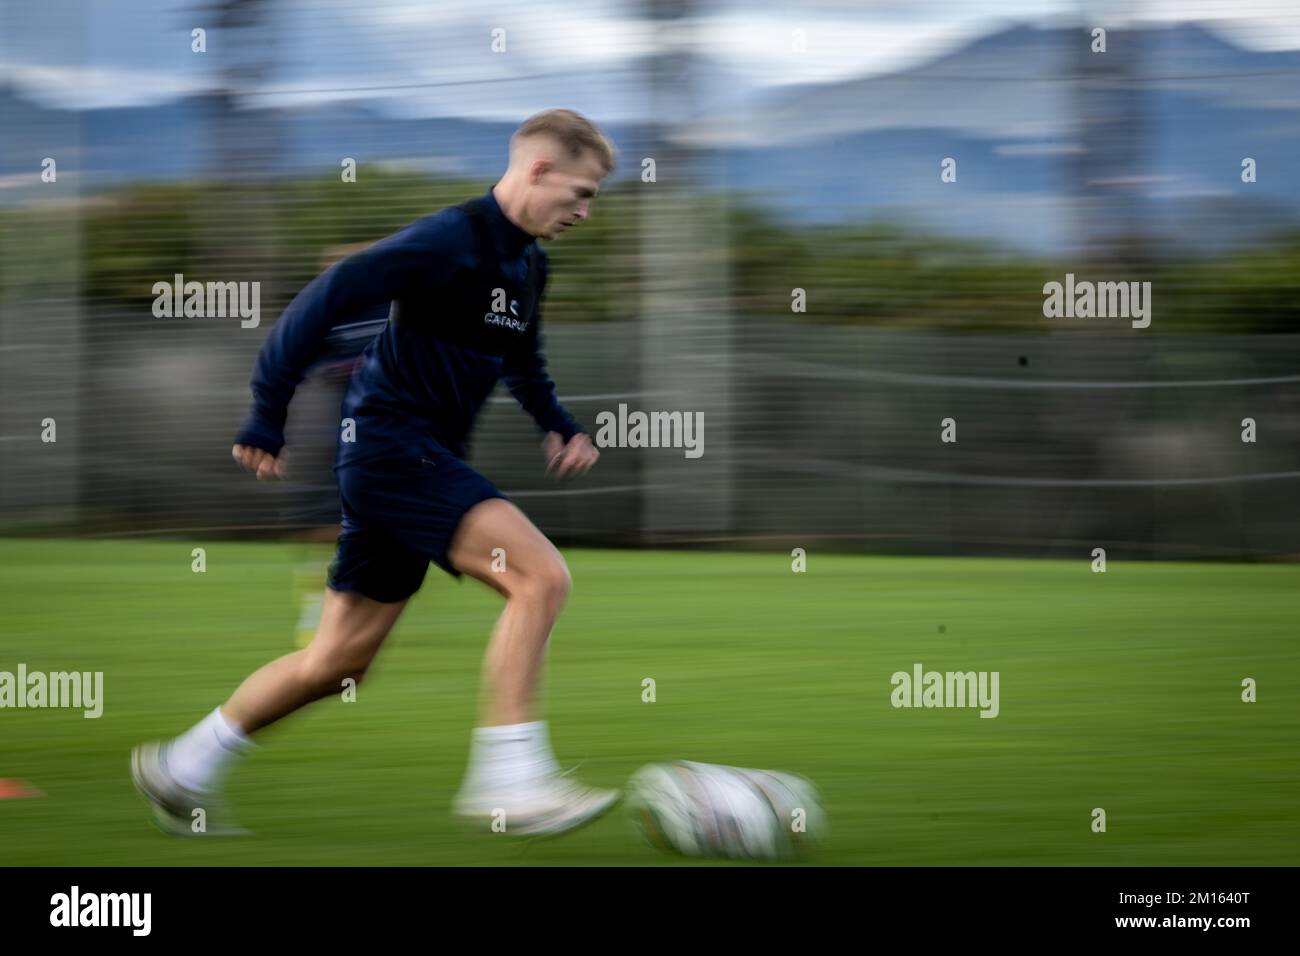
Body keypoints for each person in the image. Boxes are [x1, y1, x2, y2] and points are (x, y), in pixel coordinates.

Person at [131, 108, 618, 838]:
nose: (583, 210)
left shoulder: (528, 266)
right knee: (540, 578)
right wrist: (267, 410)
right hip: (394, 450)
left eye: (592, 199)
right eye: (578, 192)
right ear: (538, 169)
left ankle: (182, 767)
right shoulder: (448, 240)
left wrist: (557, 422)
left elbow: (521, 359)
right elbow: (323, 300)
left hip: (409, 462)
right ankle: (511, 781)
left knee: (339, 663)